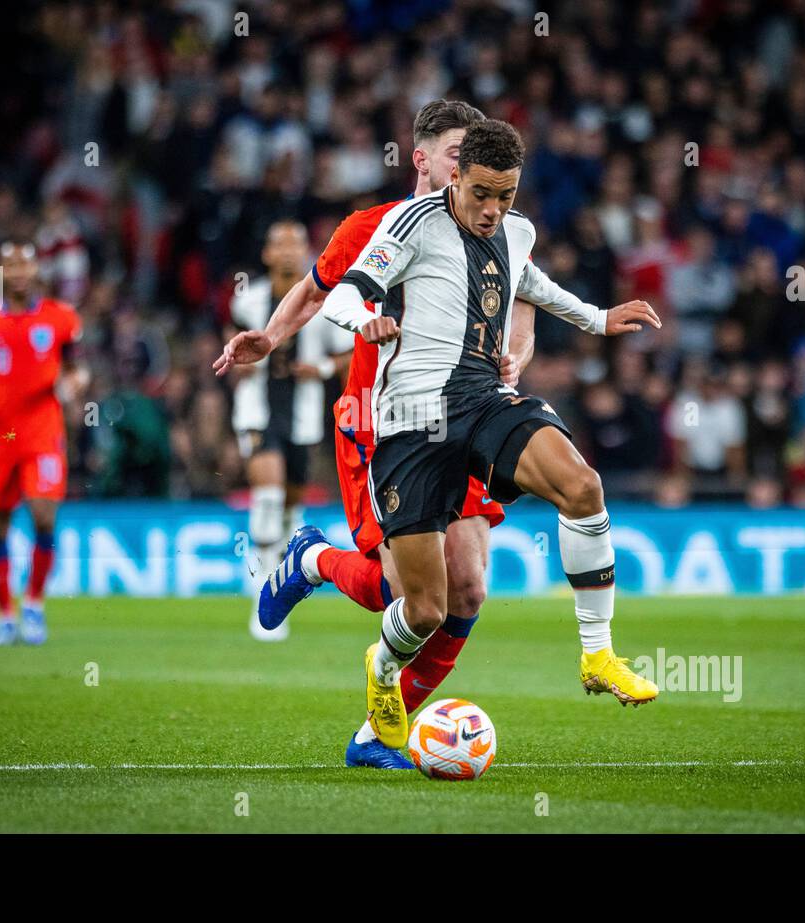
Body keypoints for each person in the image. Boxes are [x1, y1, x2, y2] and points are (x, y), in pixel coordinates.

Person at [319, 119, 662, 751]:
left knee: (582, 487)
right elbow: (343, 296)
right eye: (481, 193)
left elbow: (529, 283)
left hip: (481, 401)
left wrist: (597, 318)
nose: (492, 209)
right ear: (454, 176)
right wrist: (364, 321)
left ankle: (598, 654)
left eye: (505, 196)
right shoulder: (411, 225)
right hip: (412, 423)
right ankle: (385, 666)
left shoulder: (514, 229)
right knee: (425, 608)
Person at [215, 99, 535, 768]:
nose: (471, 167)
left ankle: (376, 731)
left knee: (467, 587)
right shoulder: (372, 227)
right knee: (407, 593)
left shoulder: (490, 225)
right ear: (422, 160)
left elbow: (525, 296)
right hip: (381, 421)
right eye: (457, 154)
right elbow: (312, 288)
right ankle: (313, 560)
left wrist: (518, 352)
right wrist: (270, 338)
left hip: (463, 416)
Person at [0, 241, 88, 647]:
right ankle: (4, 615)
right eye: (10, 265)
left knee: (44, 516)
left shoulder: (61, 317)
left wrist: (77, 382)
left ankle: (34, 605)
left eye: (25, 264)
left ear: (37, 270)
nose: (19, 272)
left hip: (42, 428)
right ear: (1, 272)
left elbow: (78, 367)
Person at [226, 220, 352, 640]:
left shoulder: (327, 303)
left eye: (295, 242)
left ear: (307, 250)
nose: (286, 250)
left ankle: (277, 581)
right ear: (265, 253)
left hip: (304, 416)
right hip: (257, 411)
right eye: (278, 242)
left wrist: (318, 369)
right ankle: (261, 593)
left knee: (290, 508)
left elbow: (350, 358)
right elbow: (229, 345)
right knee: (268, 493)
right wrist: (236, 369)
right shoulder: (248, 299)